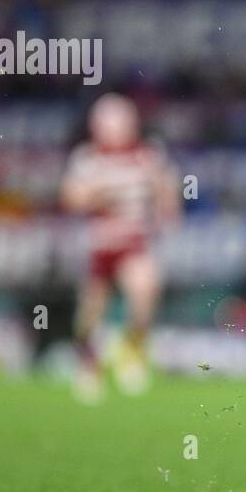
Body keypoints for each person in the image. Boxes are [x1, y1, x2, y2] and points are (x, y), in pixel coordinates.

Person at [61, 93, 179, 401]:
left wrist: (168, 213)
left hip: (133, 242)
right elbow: (71, 198)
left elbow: (166, 188)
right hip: (97, 246)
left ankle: (132, 353)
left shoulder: (147, 155)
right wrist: (102, 194)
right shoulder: (87, 158)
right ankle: (89, 365)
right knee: (90, 313)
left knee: (145, 290)